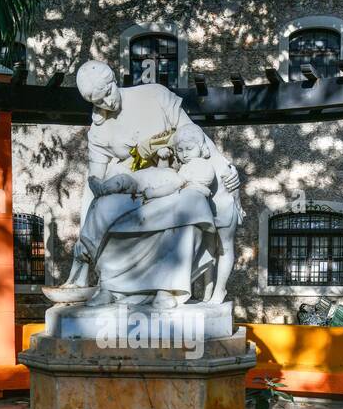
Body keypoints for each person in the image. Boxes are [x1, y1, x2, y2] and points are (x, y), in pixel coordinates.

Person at [62, 61, 241, 308]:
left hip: (173, 179)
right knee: (103, 211)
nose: (108, 104)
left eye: (108, 94)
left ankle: (168, 288)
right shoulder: (98, 132)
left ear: (114, 82)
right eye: (98, 102)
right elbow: (96, 179)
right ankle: (112, 287)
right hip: (132, 187)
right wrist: (90, 215)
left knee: (190, 206)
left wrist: (223, 165)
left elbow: (191, 131)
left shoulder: (154, 94)